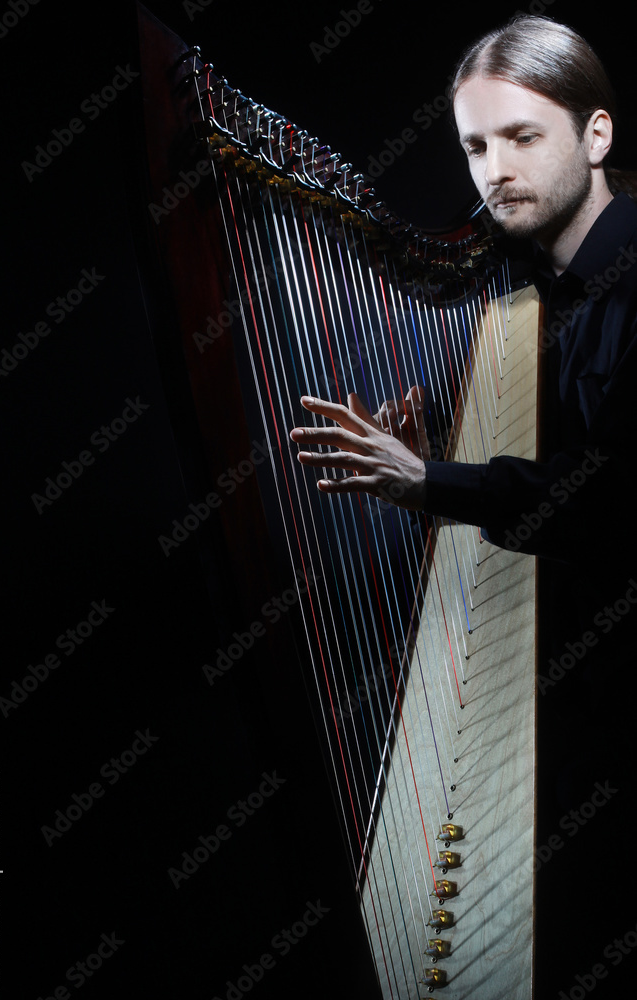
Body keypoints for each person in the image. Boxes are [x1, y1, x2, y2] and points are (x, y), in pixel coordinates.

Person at [290, 15, 637, 996]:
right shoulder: (556, 284)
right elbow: (570, 405)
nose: (494, 171)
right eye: (475, 146)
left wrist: (427, 481)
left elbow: (609, 502)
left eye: (523, 137)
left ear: (595, 136)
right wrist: (443, 424)